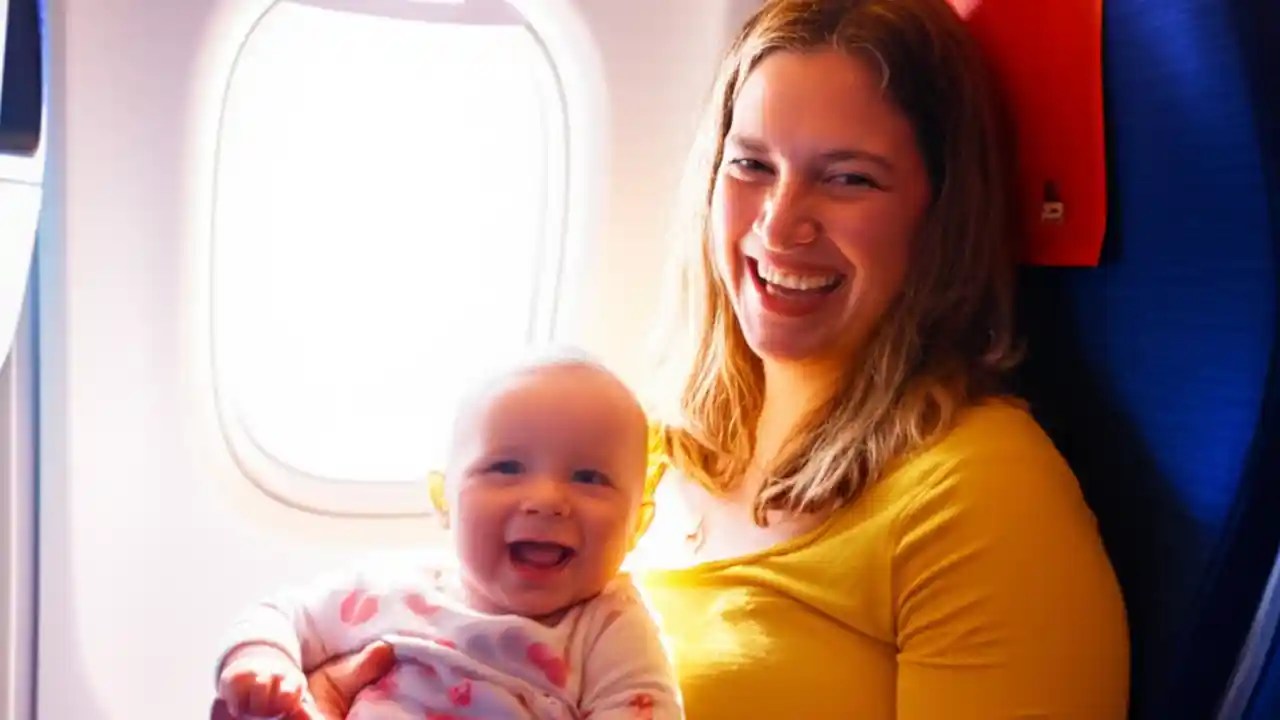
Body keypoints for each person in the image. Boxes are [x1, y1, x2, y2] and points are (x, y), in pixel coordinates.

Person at [282, 0, 1131, 717]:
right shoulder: (641, 445)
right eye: (751, 165)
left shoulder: (981, 494)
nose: (780, 223)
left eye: (850, 180)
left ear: (940, 216)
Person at [212, 353, 683, 720]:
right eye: (506, 467)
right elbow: (285, 615)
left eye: (589, 477)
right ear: (444, 499)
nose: (546, 498)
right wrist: (264, 663)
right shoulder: (393, 589)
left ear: (638, 525)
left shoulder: (609, 627)